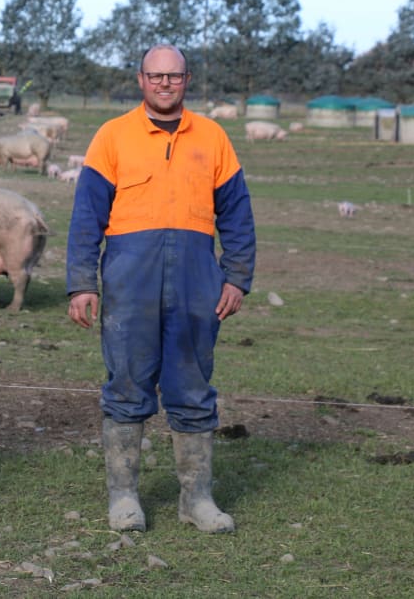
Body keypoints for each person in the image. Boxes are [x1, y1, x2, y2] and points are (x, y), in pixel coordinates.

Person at [66, 44, 255, 534]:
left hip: (197, 281)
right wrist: (82, 283)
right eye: (156, 76)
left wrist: (236, 276)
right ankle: (124, 498)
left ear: (187, 80)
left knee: (192, 386)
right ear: (141, 79)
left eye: (174, 76)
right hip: (129, 281)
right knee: (127, 384)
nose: (165, 84)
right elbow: (86, 218)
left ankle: (197, 499)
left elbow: (237, 214)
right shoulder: (112, 136)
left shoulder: (213, 137)